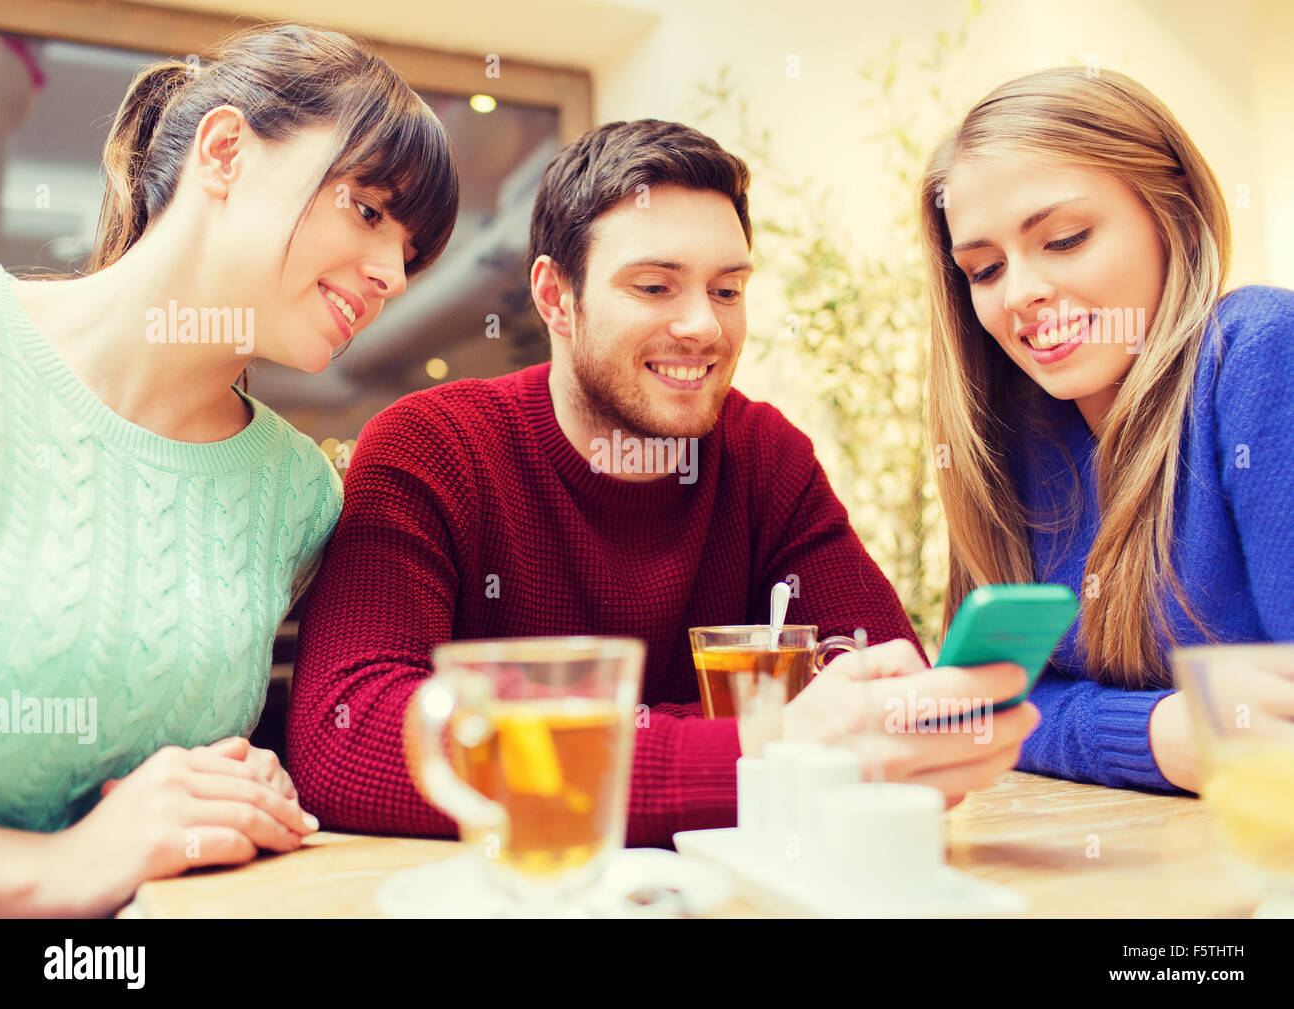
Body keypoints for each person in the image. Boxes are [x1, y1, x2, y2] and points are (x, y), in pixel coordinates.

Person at [287, 118, 1037, 847]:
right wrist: (758, 749)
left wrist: (840, 728)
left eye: (727, 290)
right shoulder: (433, 448)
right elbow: (352, 732)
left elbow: (877, 685)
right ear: (555, 297)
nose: (704, 328)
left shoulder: (764, 456)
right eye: (654, 286)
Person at [0, 23, 459, 915]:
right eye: (368, 208)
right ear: (225, 149)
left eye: (411, 250)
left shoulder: (295, 491)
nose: (396, 275)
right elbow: (105, 842)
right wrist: (67, 863)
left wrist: (236, 791)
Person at [920, 67, 1294, 796]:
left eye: (1064, 239)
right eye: (986, 268)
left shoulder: (1258, 352)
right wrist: (1157, 734)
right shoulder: (1014, 435)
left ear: (1173, 211)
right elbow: (975, 705)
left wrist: (1094, 724)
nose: (1020, 293)